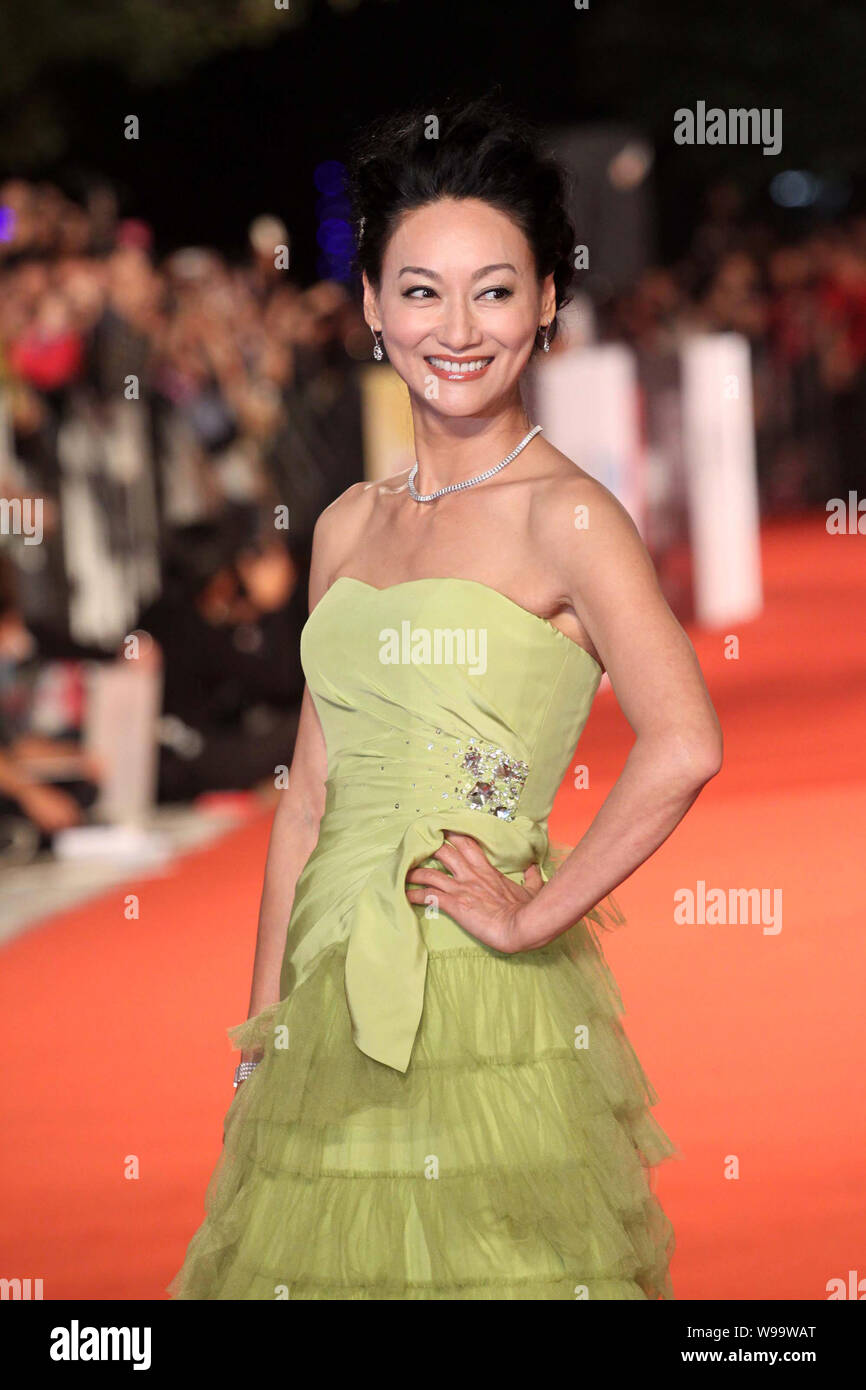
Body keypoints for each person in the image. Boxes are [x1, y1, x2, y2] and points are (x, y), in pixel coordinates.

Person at [168, 95, 723, 1301]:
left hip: (479, 1001)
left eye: (493, 289)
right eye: (420, 291)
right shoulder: (345, 526)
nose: (456, 328)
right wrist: (259, 1040)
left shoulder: (567, 516)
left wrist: (535, 914)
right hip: (324, 996)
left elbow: (682, 741)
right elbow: (308, 800)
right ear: (369, 305)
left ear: (545, 304)